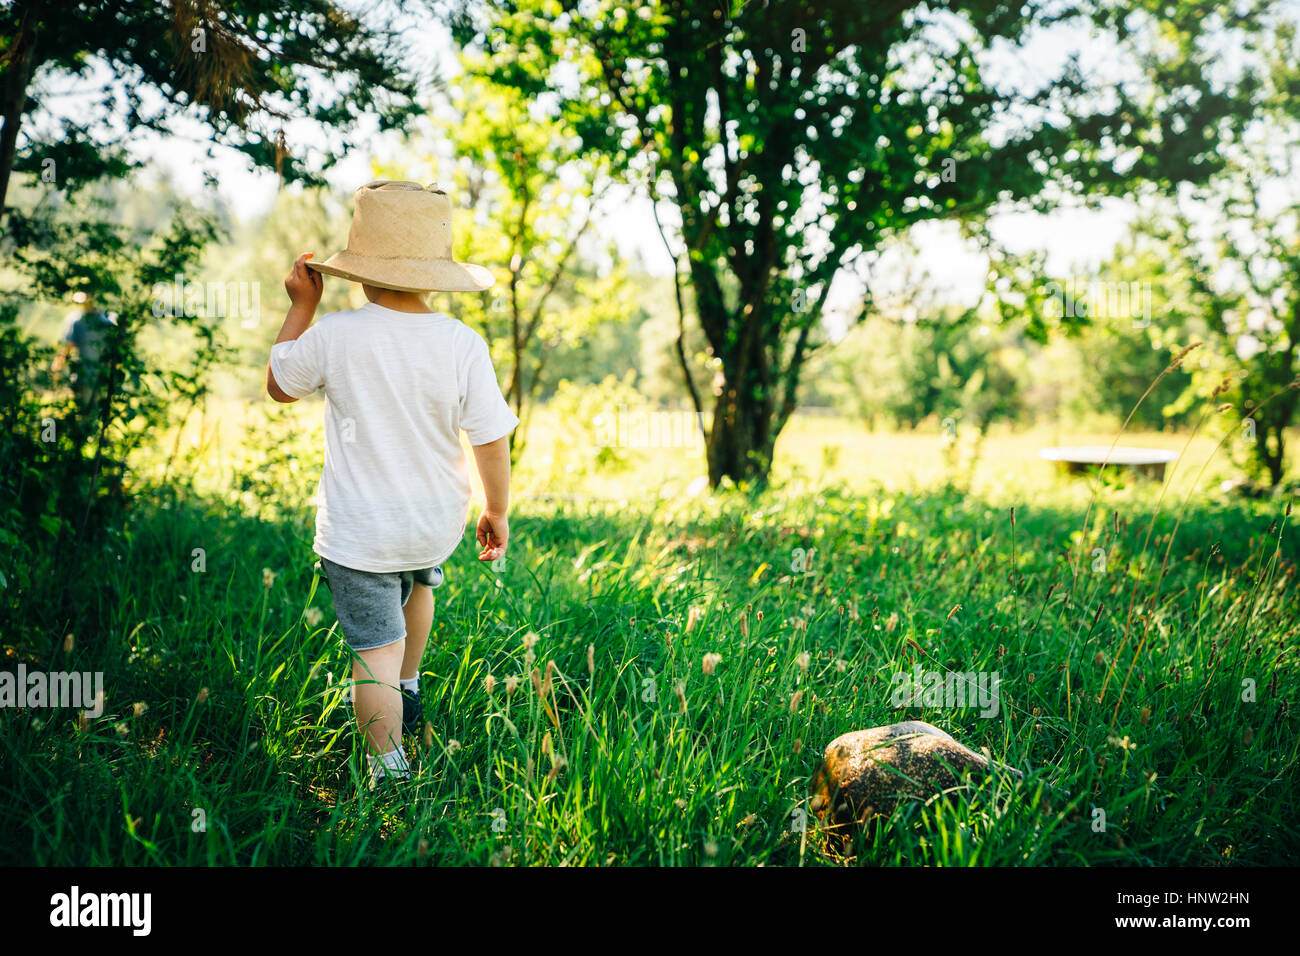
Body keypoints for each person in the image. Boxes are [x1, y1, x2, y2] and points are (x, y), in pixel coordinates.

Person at [266, 180, 517, 792]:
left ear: (357, 271)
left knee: (372, 648)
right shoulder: (462, 342)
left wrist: (302, 306)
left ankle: (388, 770)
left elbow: (280, 384)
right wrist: (497, 509)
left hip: (361, 530)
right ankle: (409, 686)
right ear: (436, 273)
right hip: (432, 522)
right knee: (419, 584)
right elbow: (489, 436)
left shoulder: (337, 333)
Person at [52, 292, 116, 417]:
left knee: (91, 410)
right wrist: (58, 364)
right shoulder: (78, 320)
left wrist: (58, 364)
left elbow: (68, 346)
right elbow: (69, 345)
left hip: (98, 374)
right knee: (90, 410)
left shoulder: (105, 320)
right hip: (88, 374)